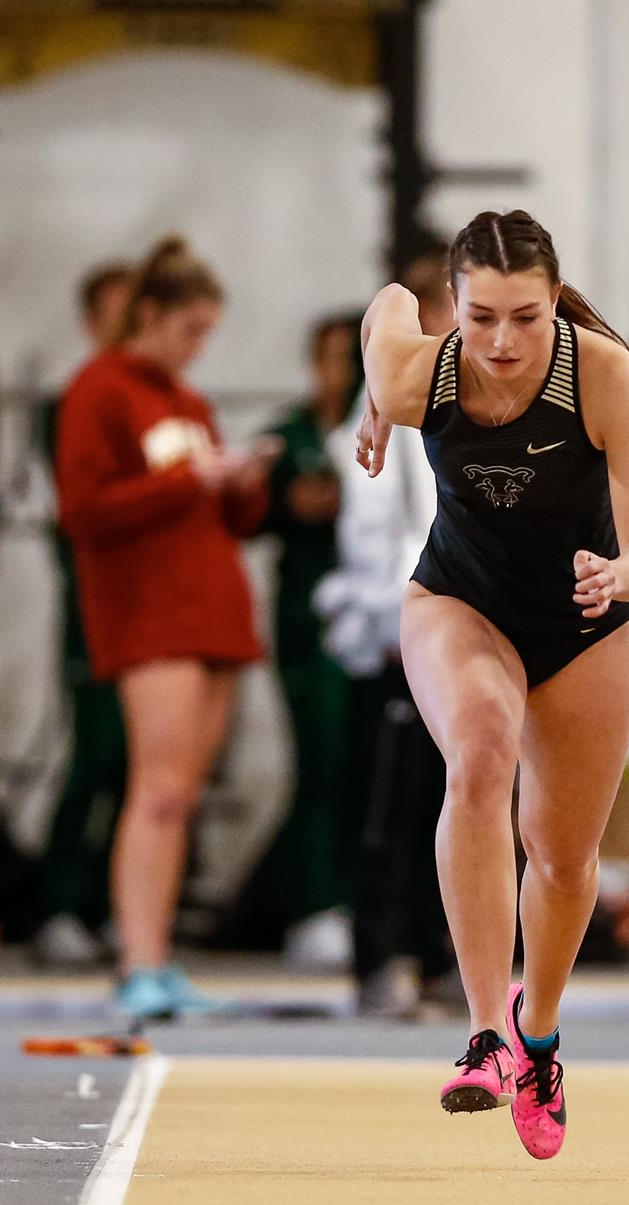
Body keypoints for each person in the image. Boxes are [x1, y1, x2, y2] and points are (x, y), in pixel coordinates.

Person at [357, 209, 629, 1159]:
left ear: (554, 303)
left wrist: (620, 576)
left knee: (565, 859)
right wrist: (378, 397)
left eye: (525, 319)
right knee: (480, 754)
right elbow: (386, 306)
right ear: (455, 306)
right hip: (462, 601)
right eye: (481, 316)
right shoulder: (423, 373)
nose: (501, 342)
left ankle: (539, 1033)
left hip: (585, 620)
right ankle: (487, 1032)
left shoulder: (605, 375)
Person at [53, 234, 273, 1023]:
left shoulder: (188, 401)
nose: (198, 346)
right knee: (155, 789)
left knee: (181, 795)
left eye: (207, 332)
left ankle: (157, 952)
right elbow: (83, 510)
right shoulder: (99, 389)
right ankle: (136, 959)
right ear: (149, 316)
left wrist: (243, 482)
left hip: (210, 607)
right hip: (149, 614)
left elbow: (226, 516)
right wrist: (188, 480)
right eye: (190, 329)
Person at [315, 243, 458, 1018]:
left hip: (465, 644)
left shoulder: (477, 408)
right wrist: (405, 621)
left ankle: (444, 956)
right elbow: (373, 550)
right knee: (386, 808)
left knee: (460, 800)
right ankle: (380, 955)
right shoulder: (376, 424)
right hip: (397, 645)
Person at [32, 260, 134, 969]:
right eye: (117, 312)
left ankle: (108, 904)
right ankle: (58, 903)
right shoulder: (74, 401)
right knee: (93, 753)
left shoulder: (154, 400)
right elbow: (87, 505)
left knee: (137, 762)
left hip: (145, 607)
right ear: (91, 320)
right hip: (94, 605)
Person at [259, 312, 359, 967]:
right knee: (318, 758)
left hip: (374, 622)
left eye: (344, 359)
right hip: (308, 619)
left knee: (364, 761)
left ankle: (358, 898)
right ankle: (313, 903)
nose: (334, 374)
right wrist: (286, 499)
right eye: (323, 358)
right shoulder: (288, 435)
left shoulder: (386, 431)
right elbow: (253, 506)